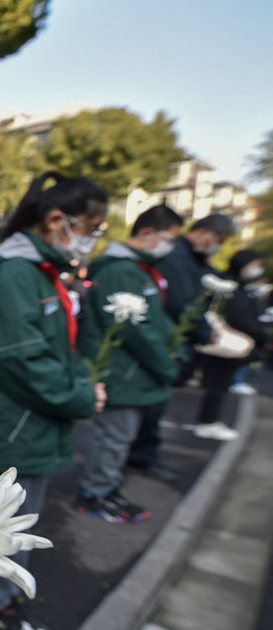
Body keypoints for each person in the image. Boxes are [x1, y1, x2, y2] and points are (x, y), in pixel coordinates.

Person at [0, 171, 108, 629]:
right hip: (11, 425)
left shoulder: (36, 270)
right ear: (58, 220)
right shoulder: (16, 273)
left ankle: (0, 599)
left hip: (21, 423)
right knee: (2, 528)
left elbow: (50, 349)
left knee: (10, 524)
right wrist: (80, 394)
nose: (92, 239)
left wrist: (79, 382)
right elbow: (22, 361)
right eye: (91, 228)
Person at [74, 205, 183, 523]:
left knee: (119, 438)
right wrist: (166, 363)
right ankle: (97, 493)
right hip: (121, 372)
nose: (170, 246)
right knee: (114, 437)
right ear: (147, 233)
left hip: (132, 372)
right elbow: (134, 329)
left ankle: (105, 488)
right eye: (168, 238)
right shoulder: (120, 270)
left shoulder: (136, 269)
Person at [127, 212, 236, 475]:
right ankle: (141, 455)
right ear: (206, 232)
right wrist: (202, 330)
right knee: (151, 405)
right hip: (167, 341)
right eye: (218, 239)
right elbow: (181, 302)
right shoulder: (177, 258)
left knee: (155, 403)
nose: (217, 245)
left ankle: (143, 453)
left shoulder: (194, 259)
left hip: (174, 339)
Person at [194, 249, 268, 441]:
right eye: (254, 265)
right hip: (224, 345)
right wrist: (261, 335)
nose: (257, 269)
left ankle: (210, 421)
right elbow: (238, 318)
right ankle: (207, 422)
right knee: (217, 386)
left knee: (220, 386)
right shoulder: (230, 288)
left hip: (230, 344)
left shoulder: (238, 287)